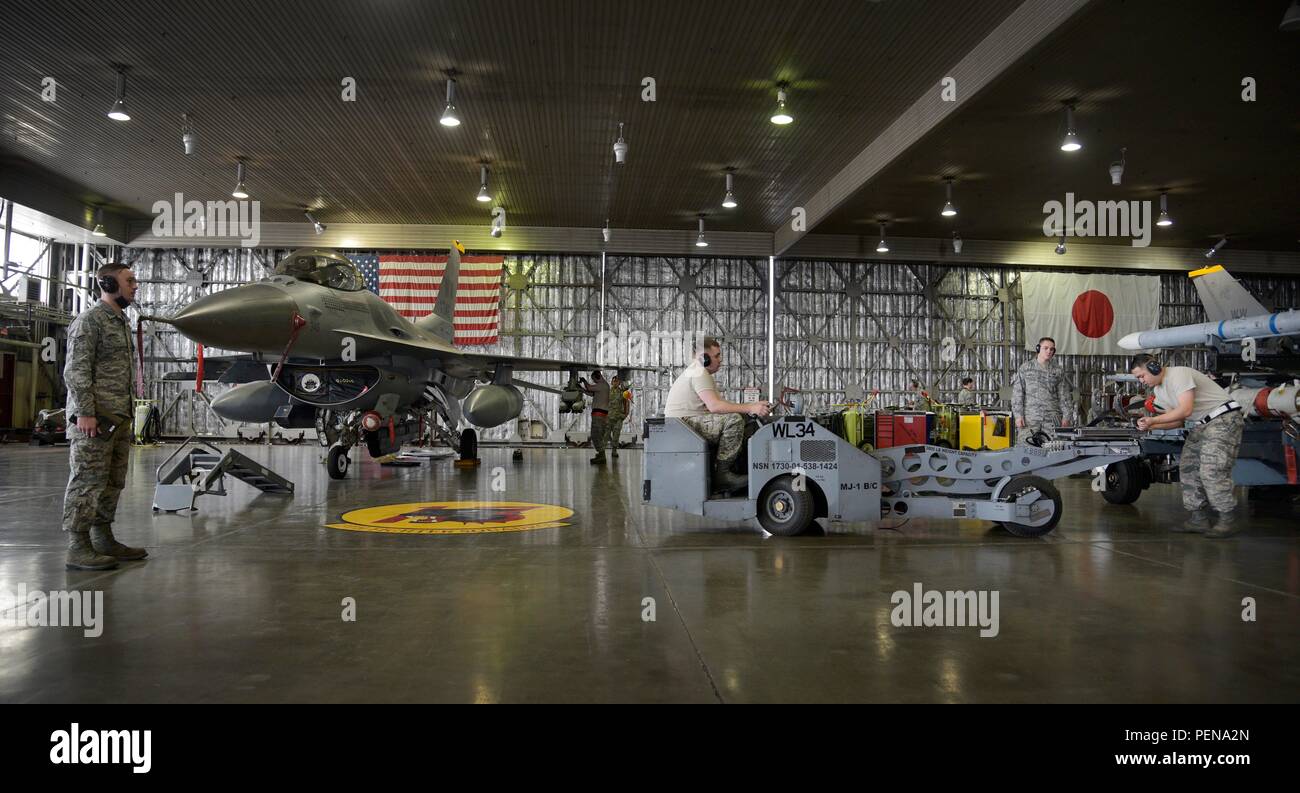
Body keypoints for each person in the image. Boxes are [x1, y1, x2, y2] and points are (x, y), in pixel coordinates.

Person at [61, 262, 149, 570]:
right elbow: (76, 371)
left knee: (113, 481)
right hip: (94, 419)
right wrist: (86, 412)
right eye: (129, 281)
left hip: (118, 416)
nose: (135, 285)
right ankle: (77, 545)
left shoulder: (120, 320)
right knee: (87, 480)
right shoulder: (90, 321)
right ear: (109, 285)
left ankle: (103, 537)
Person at [1131, 354, 1245, 538]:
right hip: (1202, 424)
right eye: (1138, 378)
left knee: (1212, 468)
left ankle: (1227, 518)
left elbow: (1185, 410)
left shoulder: (1179, 375)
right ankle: (1198, 519)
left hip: (1223, 419)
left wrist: (1153, 419)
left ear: (1153, 367)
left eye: (1142, 376)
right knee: (1188, 466)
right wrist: (1150, 425)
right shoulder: (1160, 391)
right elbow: (1178, 422)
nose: (1141, 381)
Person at [664, 336, 770, 493]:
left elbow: (721, 406)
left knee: (740, 417)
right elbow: (715, 407)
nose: (720, 360)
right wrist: (750, 407)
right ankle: (723, 477)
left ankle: (738, 468)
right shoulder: (699, 372)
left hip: (685, 424)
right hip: (683, 426)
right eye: (717, 356)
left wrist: (752, 408)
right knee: (733, 421)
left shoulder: (698, 372)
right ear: (704, 358)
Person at [1011, 337, 1074, 440]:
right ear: (1038, 348)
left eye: (1052, 349)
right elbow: (1018, 394)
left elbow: (1064, 396)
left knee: (1054, 450)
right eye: (1046, 348)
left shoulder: (1057, 371)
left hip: (1051, 420)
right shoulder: (1026, 368)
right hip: (1030, 419)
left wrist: (1067, 416)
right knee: (1026, 449)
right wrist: (1018, 415)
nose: (1049, 351)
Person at [580, 370, 610, 464]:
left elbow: (589, 387)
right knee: (599, 435)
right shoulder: (603, 386)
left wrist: (584, 381)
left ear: (598, 377)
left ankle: (602, 456)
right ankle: (601, 454)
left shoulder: (602, 385)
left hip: (599, 416)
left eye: (594, 380)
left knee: (595, 435)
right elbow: (591, 393)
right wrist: (582, 390)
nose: (594, 382)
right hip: (600, 415)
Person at [604, 373, 632, 459]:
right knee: (606, 436)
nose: (615, 383)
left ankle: (614, 450)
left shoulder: (623, 393)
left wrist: (625, 414)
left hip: (618, 418)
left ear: (619, 383)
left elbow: (627, 403)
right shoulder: (607, 392)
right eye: (614, 381)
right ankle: (602, 452)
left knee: (616, 435)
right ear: (611, 382)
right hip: (608, 417)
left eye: (617, 381)